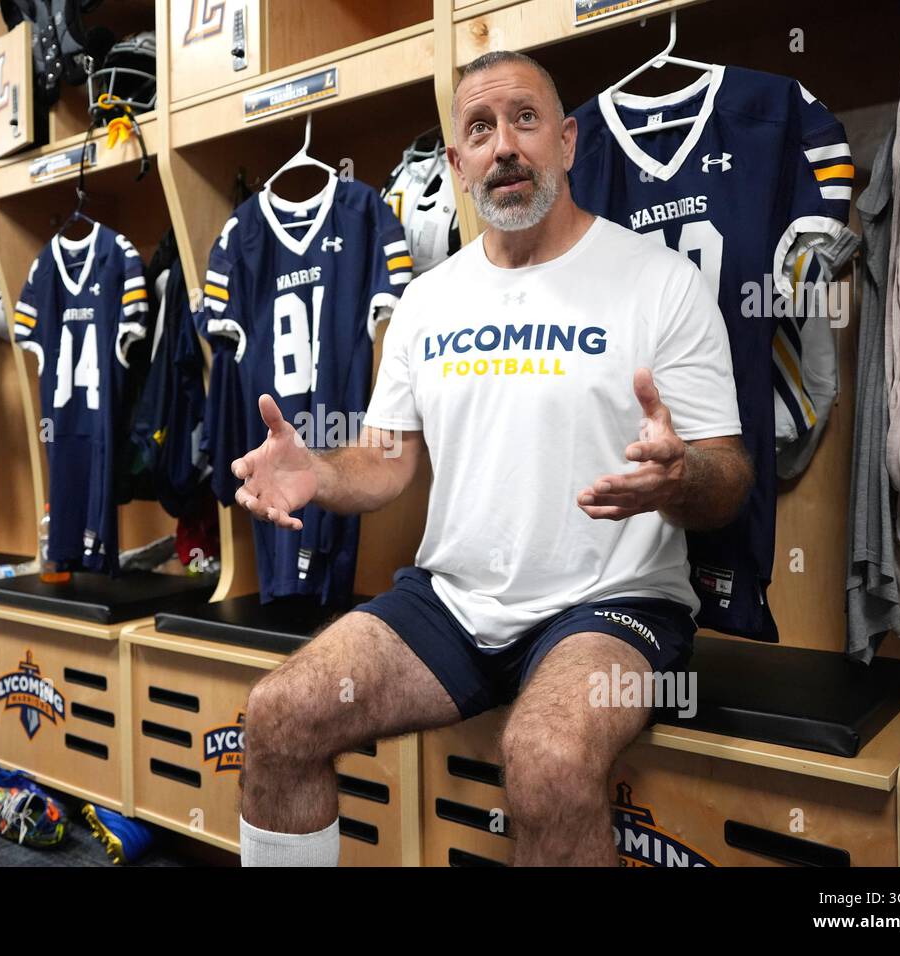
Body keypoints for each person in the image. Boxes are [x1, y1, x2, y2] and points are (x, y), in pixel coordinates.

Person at [231, 51, 753, 866]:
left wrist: (683, 478)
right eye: (479, 128)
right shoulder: (427, 302)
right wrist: (322, 475)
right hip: (455, 601)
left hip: (613, 601)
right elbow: (389, 461)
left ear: (568, 140)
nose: (503, 145)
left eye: (525, 119)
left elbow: (729, 475)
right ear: (456, 163)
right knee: (278, 713)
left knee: (546, 759)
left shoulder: (659, 282)